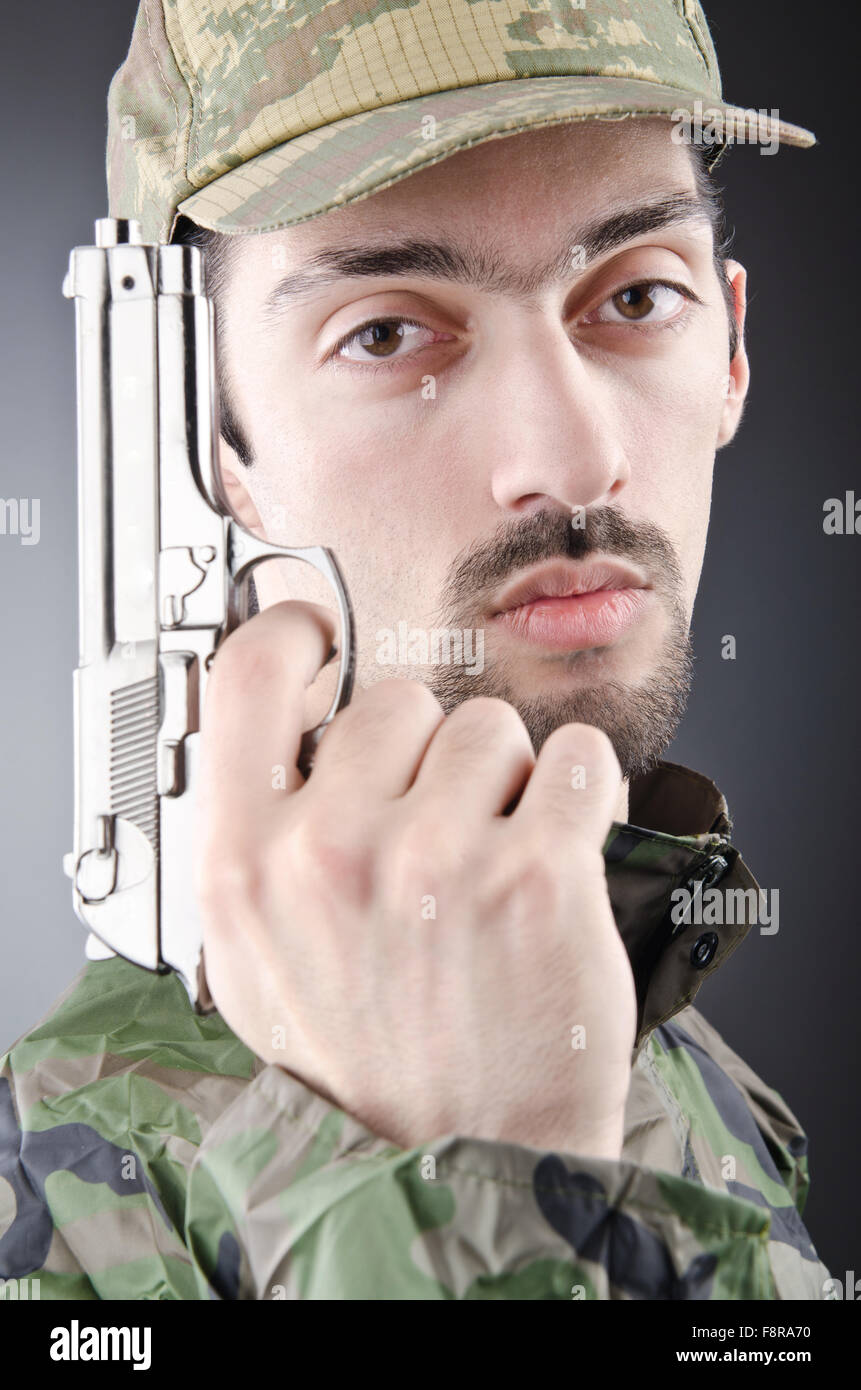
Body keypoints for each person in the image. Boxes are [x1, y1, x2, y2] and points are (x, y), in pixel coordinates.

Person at [0, 0, 829, 1299]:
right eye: (388, 332)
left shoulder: (703, 1085)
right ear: (212, 442)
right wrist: (482, 1193)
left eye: (633, 296)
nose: (569, 459)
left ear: (728, 344)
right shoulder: (59, 1217)